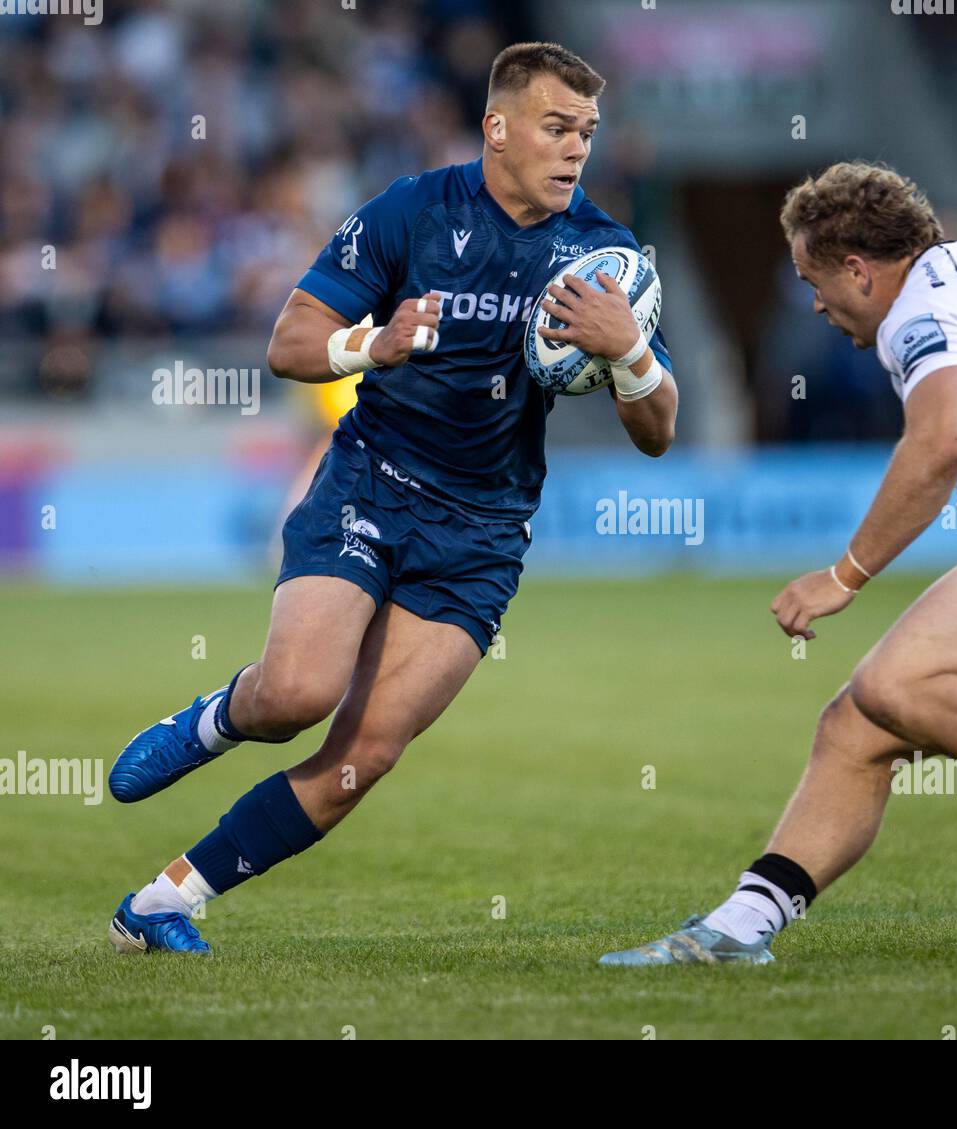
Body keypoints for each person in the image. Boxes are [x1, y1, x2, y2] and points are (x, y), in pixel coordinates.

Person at [107, 43, 676, 954]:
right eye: (557, 128)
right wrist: (369, 346)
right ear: (497, 128)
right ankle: (219, 716)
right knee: (295, 694)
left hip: (485, 533)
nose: (576, 150)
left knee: (357, 764)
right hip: (372, 480)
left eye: (588, 133)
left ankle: (162, 904)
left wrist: (632, 354)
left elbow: (659, 433)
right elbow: (290, 342)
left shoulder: (604, 256)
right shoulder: (413, 210)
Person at [600, 160, 957, 966]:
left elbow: (941, 442)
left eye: (814, 279)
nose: (814, 301)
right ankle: (741, 928)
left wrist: (842, 577)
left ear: (858, 268)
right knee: (856, 726)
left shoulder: (926, 308)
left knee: (893, 685)